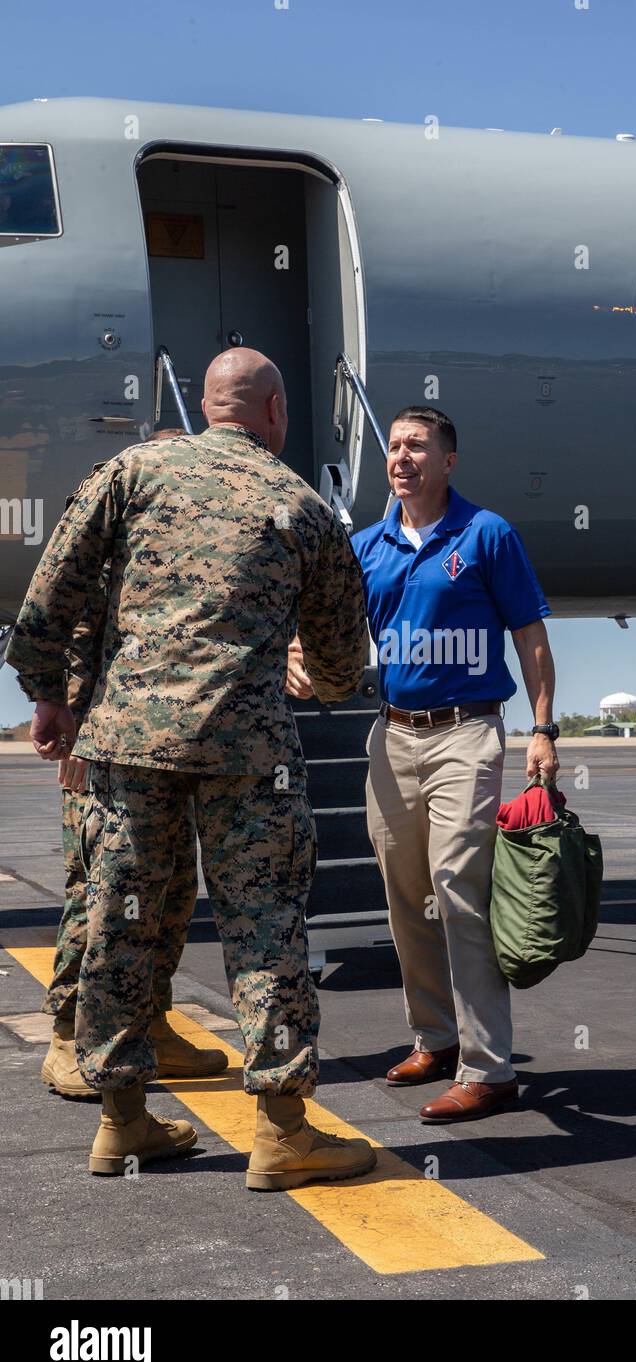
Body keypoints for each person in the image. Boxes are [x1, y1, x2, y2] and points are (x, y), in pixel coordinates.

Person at [7, 348, 375, 1188]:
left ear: (209, 404)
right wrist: (316, 672)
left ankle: (121, 1123)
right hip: (248, 758)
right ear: (274, 411)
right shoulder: (304, 507)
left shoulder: (131, 470)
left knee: (122, 923)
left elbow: (52, 590)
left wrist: (51, 694)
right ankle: (282, 1134)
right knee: (265, 930)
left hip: (128, 744)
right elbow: (341, 662)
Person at [287, 405, 558, 1122]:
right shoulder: (368, 544)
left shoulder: (487, 534)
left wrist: (543, 727)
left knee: (458, 888)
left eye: (418, 446)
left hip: (466, 735)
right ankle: (434, 1039)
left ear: (449, 460)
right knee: (404, 895)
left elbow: (529, 635)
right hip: (392, 736)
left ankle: (490, 1068)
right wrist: (299, 655)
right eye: (395, 446)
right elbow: (330, 626)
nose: (402, 457)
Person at [42, 432, 227, 1097]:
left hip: (156, 744)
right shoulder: (111, 505)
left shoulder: (173, 522)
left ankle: (152, 1017)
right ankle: (67, 1034)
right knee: (96, 889)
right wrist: (74, 737)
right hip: (100, 739)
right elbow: (74, 629)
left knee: (173, 885)